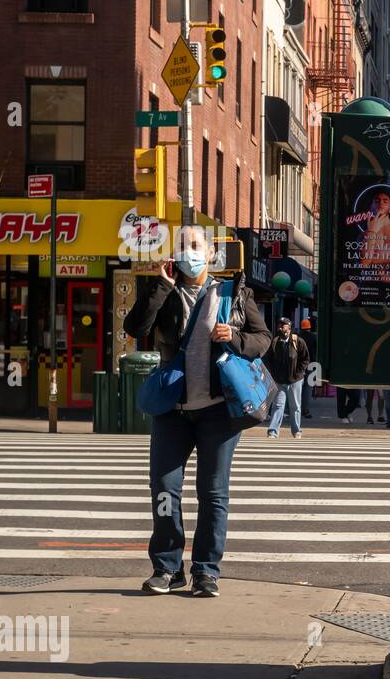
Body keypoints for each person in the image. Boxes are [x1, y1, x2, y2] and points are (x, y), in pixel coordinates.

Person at [123, 225, 272, 598]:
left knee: (213, 492)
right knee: (164, 488)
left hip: (219, 412)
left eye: (195, 244)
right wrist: (161, 286)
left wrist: (234, 337)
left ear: (210, 253)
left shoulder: (233, 293)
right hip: (172, 410)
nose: (188, 251)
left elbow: (263, 339)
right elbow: (135, 328)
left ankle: (206, 571)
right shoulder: (164, 291)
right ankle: (167, 568)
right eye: (182, 245)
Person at [265, 316, 311, 439]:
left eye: (283, 326)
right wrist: (273, 374)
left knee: (295, 406)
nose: (280, 328)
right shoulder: (275, 342)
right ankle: (273, 431)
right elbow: (268, 359)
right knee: (278, 405)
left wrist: (298, 374)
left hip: (294, 380)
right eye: (279, 325)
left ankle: (296, 431)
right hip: (279, 381)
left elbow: (305, 359)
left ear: (289, 328)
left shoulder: (298, 341)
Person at [299, 318, 317, 418]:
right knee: (308, 388)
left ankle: (297, 407)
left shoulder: (298, 337)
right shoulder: (314, 337)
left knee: (298, 387)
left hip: (299, 365)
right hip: (311, 365)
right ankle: (305, 410)